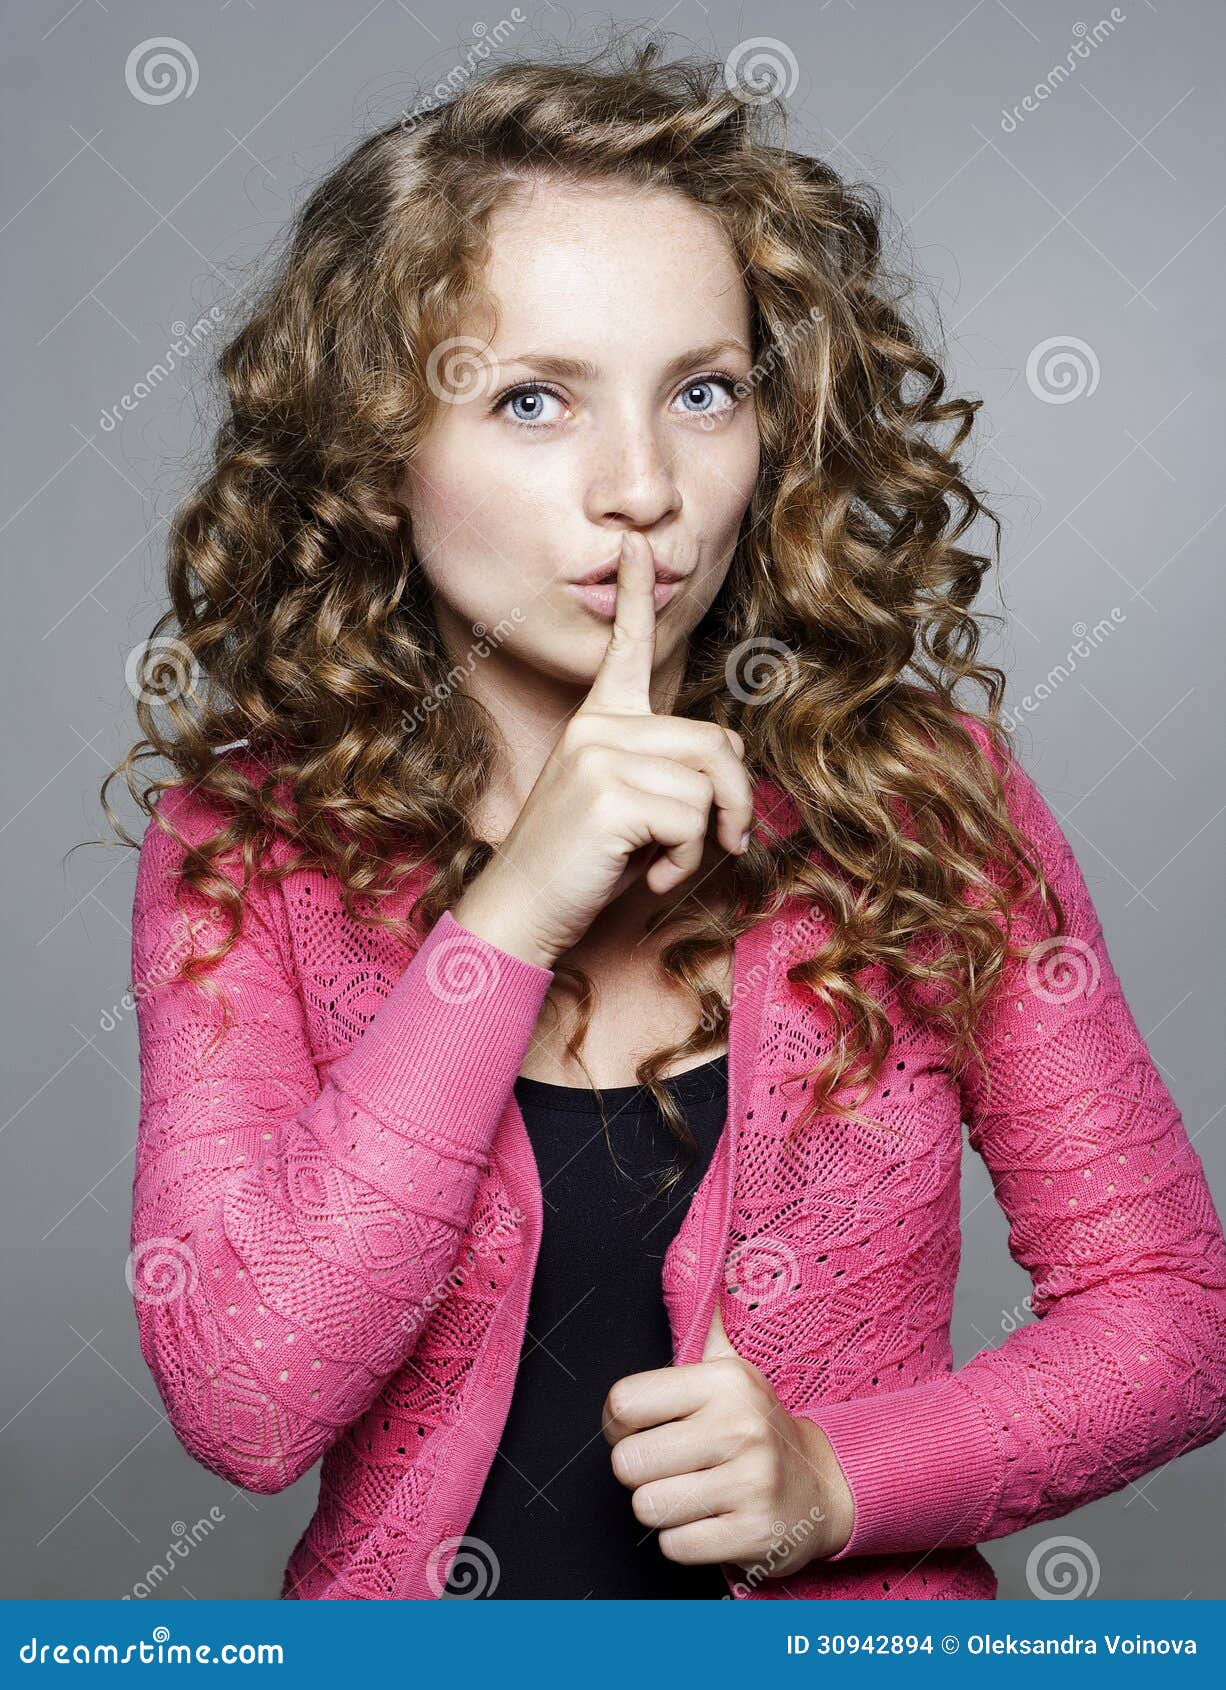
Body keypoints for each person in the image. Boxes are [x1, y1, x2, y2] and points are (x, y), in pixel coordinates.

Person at [110, 33, 1226, 1602]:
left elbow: (1170, 1306)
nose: (641, 485)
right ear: (378, 449)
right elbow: (243, 1399)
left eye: (700, 391)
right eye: (530, 401)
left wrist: (844, 1477)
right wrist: (509, 919)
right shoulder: (248, 849)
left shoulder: (924, 805)